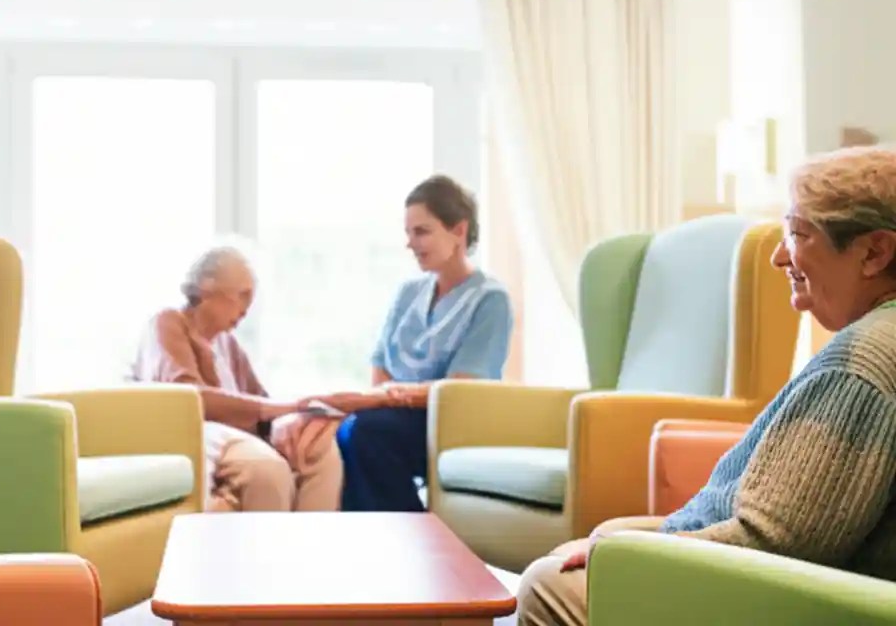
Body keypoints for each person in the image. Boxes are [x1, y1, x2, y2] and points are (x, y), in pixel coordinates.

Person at [516, 146, 896, 626]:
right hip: (774, 568)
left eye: (798, 234)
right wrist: (627, 543)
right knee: (607, 535)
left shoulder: (860, 365)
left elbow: (773, 544)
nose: (780, 255)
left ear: (875, 252)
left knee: (551, 586)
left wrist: (629, 557)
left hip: (766, 592)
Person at [326, 175, 514, 511]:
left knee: (367, 434)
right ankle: (391, 536)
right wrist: (385, 396)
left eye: (421, 231)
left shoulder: (490, 300)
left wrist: (394, 396)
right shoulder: (408, 293)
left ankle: (413, 537)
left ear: (458, 231)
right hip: (394, 415)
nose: (410, 243)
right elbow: (380, 365)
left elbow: (461, 388)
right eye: (408, 233)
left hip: (450, 421)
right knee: (343, 431)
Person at [131, 243, 343, 512]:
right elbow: (185, 395)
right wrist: (275, 409)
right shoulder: (169, 322)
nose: (246, 308)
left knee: (320, 452)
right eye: (242, 295)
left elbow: (260, 401)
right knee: (269, 471)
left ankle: (310, 549)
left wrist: (290, 421)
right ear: (207, 289)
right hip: (200, 436)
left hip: (240, 440)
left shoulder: (227, 344)